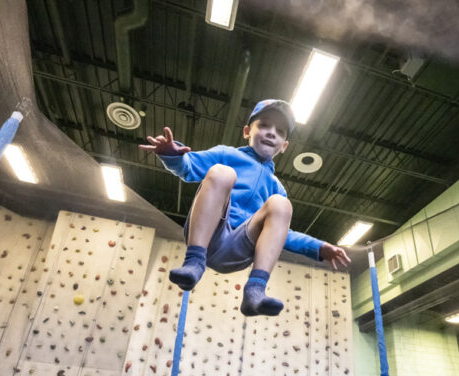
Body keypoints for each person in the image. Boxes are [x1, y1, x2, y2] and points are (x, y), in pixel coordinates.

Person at [140, 99, 351, 317]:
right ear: (247, 131)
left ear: (284, 146)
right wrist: (171, 155)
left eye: (279, 131)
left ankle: (255, 289)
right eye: (265, 125)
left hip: (241, 246)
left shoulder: (276, 187)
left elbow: (282, 235)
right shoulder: (227, 154)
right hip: (210, 232)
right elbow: (189, 167)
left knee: (281, 204)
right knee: (223, 172)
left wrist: (318, 247)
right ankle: (194, 261)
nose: (271, 133)